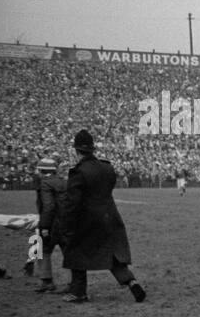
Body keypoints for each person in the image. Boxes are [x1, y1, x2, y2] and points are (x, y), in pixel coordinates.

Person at [55, 130, 146, 304]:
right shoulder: (107, 167)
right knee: (113, 255)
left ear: (77, 150)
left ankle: (78, 292)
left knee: (75, 251)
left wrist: (67, 224)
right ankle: (131, 281)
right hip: (110, 215)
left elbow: (73, 203)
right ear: (92, 148)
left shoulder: (78, 172)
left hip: (88, 220)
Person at [34, 157, 67, 294]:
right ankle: (73, 282)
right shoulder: (64, 182)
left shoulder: (44, 184)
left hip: (52, 223)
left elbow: (48, 206)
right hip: (66, 222)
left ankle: (46, 281)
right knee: (68, 252)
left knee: (42, 249)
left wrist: (44, 226)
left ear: (42, 170)